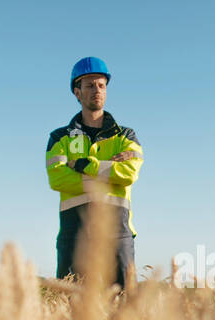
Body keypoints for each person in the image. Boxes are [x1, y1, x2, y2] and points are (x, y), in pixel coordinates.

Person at [45, 56, 143, 287]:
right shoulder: (59, 138)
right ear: (77, 92)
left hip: (117, 232)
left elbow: (129, 173)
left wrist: (84, 165)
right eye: (89, 85)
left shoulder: (126, 136)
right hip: (75, 234)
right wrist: (109, 172)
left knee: (124, 303)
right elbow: (57, 178)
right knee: (71, 305)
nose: (96, 90)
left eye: (101, 85)